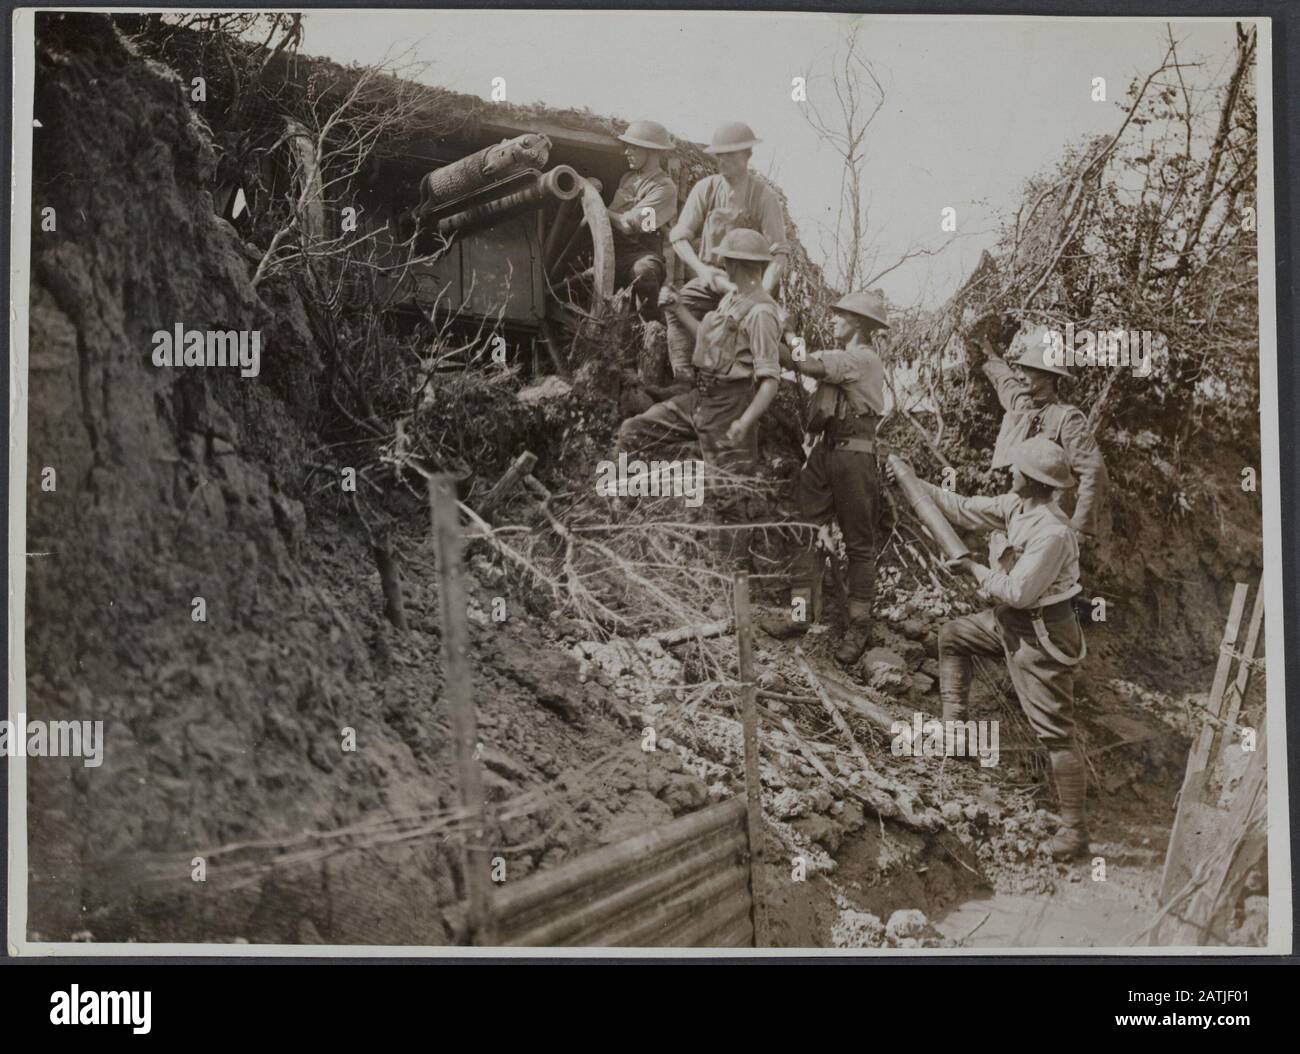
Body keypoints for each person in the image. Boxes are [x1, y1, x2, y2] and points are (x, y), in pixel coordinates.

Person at [885, 435, 1092, 860]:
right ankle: (957, 737)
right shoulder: (1017, 506)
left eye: (1016, 469)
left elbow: (1017, 591)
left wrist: (972, 567)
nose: (1008, 472)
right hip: (1011, 622)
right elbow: (962, 507)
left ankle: (1074, 830)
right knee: (953, 636)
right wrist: (910, 479)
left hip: (1041, 634)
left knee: (1055, 735)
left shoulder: (1053, 532)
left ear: (1032, 481)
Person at [617, 228, 782, 567]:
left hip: (731, 406)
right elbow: (707, 342)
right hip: (700, 397)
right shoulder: (731, 299)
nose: (722, 265)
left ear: (739, 265)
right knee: (633, 431)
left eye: (727, 260)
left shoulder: (762, 312)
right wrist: (678, 308)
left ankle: (731, 593)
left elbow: (770, 381)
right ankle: (624, 520)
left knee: (729, 500)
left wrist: (744, 422)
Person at [774, 289, 889, 666]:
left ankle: (858, 626)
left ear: (858, 323)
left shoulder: (862, 358)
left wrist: (789, 333)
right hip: (828, 450)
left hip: (855, 455)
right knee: (805, 527)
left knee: (858, 544)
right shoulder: (851, 356)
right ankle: (799, 613)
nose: (834, 321)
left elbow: (805, 364)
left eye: (841, 317)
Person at [664, 121, 788, 385]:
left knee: (753, 331)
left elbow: (779, 254)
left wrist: (760, 293)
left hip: (751, 281)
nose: (723, 161)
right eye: (720, 155)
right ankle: (683, 375)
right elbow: (678, 236)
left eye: (730, 154)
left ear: (747, 155)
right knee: (678, 305)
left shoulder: (764, 197)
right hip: (714, 277)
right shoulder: (706, 189)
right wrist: (702, 270)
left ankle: (751, 382)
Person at [970, 322, 1109, 541]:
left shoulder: (1067, 418)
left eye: (1029, 371)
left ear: (1048, 377)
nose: (1022, 376)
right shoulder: (1022, 406)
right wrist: (987, 351)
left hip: (1049, 519)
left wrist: (1081, 527)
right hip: (1017, 510)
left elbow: (1093, 471)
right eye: (1021, 370)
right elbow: (1005, 381)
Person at [607, 119, 679, 321]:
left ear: (653, 152)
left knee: (644, 270)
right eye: (628, 147)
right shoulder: (628, 178)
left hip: (643, 252)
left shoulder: (664, 188)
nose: (627, 152)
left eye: (634, 148)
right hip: (615, 249)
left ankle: (651, 326)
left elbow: (628, 226)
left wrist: (598, 208)